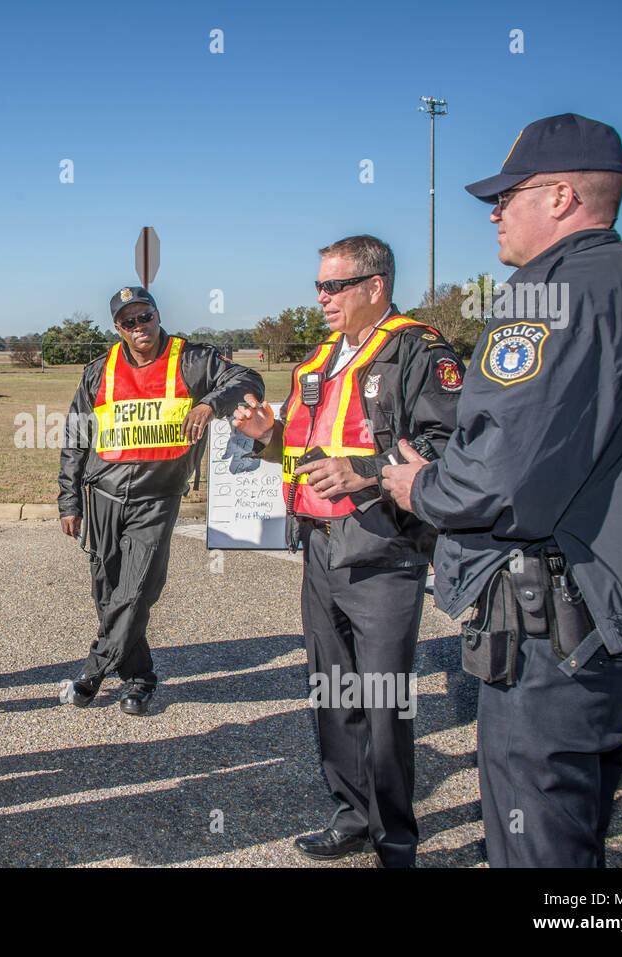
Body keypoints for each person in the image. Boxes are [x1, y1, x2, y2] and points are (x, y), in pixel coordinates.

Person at [383, 113, 622, 867]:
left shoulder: (546, 294)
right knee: (575, 816)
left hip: (551, 624)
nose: (493, 212)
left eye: (506, 195)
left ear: (559, 196)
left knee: (535, 836)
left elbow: (496, 477)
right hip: (608, 607)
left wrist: (419, 484)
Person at [233, 236, 462, 867]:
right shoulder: (322, 356)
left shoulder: (419, 349)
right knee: (333, 692)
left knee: (384, 698)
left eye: (334, 287)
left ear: (375, 286)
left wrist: (365, 470)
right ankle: (352, 815)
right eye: (318, 287)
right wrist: (266, 437)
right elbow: (308, 450)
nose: (322, 298)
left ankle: (395, 839)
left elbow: (451, 446)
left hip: (383, 548)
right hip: (319, 548)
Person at [59, 286, 264, 715]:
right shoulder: (99, 370)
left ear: (157, 314)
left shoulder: (192, 359)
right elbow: (77, 435)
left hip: (157, 498)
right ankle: (139, 677)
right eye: (129, 322)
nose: (139, 328)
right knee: (108, 594)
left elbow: (248, 379)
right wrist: (69, 500)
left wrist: (210, 403)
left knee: (135, 591)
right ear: (117, 328)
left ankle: (92, 672)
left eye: (145, 317)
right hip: (102, 498)